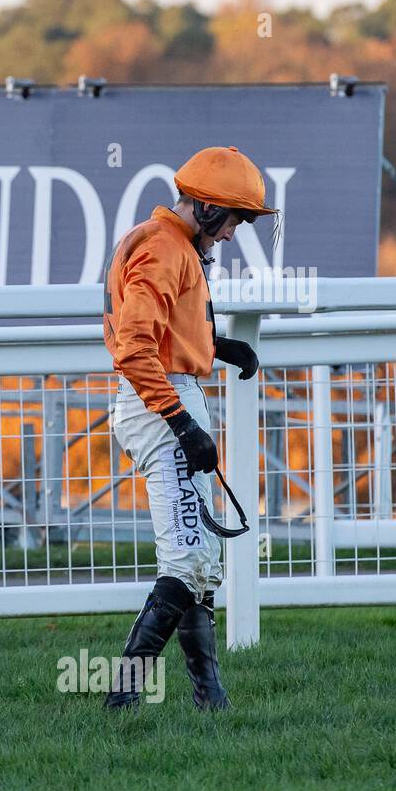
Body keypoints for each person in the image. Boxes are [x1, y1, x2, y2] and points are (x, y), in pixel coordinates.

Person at [101, 146, 277, 710]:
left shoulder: (172, 244)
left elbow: (164, 330)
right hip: (161, 408)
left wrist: (220, 347)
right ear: (204, 209)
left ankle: (212, 700)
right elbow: (133, 347)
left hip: (168, 398)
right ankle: (121, 701)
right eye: (234, 220)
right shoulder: (163, 248)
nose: (234, 234)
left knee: (201, 563)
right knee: (184, 563)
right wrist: (181, 424)